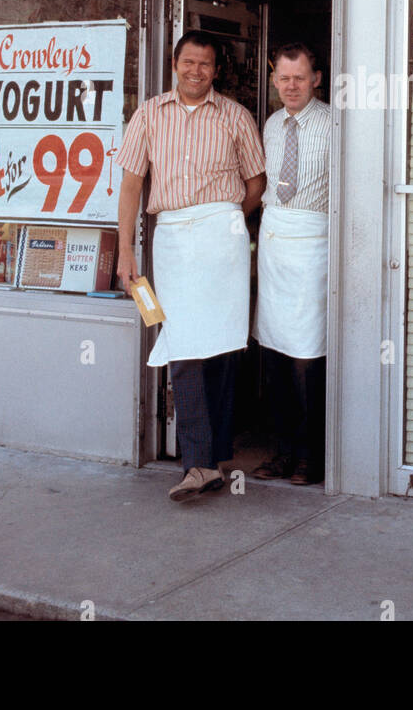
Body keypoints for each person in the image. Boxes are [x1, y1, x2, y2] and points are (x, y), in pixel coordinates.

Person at [115, 30, 265, 503]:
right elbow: (131, 187)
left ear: (216, 70)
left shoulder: (236, 116)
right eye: (188, 63)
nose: (196, 71)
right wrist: (126, 250)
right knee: (181, 341)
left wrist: (226, 222)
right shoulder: (149, 114)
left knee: (221, 345)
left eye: (205, 64)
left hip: (222, 238)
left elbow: (256, 182)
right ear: (173, 63)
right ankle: (198, 462)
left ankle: (213, 457)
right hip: (173, 238)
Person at [252, 42, 332, 486]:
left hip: (315, 244)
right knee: (275, 353)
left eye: (299, 77)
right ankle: (280, 453)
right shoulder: (270, 123)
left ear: (315, 78)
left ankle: (310, 457)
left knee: (308, 357)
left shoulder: (336, 124)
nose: (291, 86)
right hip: (276, 242)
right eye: (283, 78)